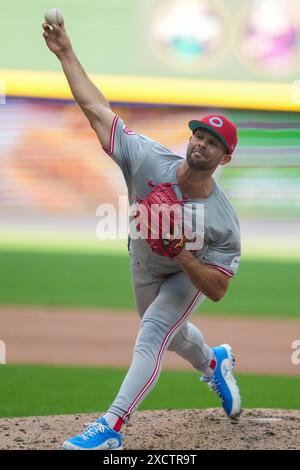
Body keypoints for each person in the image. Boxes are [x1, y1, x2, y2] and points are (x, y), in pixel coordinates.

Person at [42, 20, 242, 451]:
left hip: (185, 274)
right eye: (198, 135)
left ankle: (111, 426)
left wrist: (187, 258)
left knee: (153, 333)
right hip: (144, 265)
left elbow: (220, 289)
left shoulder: (223, 222)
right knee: (175, 336)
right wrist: (65, 53)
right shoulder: (148, 158)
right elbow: (97, 109)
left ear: (226, 155)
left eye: (213, 142)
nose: (201, 144)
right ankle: (214, 361)